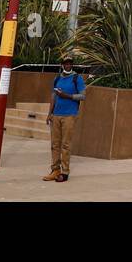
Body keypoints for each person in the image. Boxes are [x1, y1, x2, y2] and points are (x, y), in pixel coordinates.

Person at [43, 54, 85, 183]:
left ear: (72, 64)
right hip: (56, 115)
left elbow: (83, 96)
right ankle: (55, 170)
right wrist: (49, 113)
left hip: (69, 115)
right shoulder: (57, 79)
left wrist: (67, 96)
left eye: (70, 63)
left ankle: (65, 172)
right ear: (62, 64)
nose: (68, 65)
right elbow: (53, 97)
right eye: (66, 63)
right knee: (55, 144)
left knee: (65, 145)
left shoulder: (77, 78)